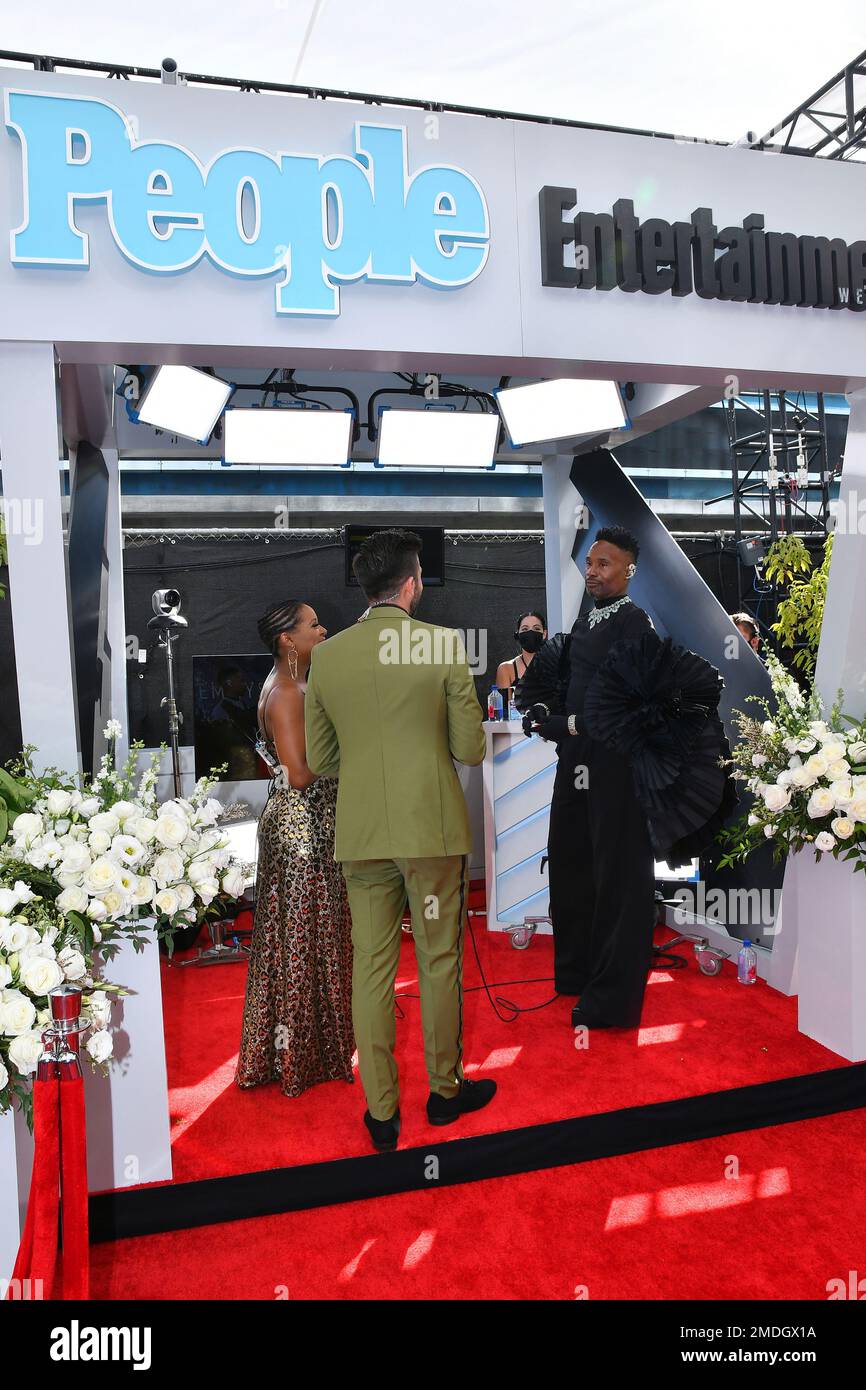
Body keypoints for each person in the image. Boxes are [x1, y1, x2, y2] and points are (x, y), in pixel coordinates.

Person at [304, 528, 494, 1153]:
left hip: (362, 835)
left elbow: (323, 760)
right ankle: (444, 1093)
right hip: (430, 833)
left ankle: (381, 1113)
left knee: (372, 966)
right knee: (439, 960)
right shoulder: (441, 646)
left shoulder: (327, 658)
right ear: (412, 585)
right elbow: (469, 748)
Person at [526, 527, 657, 1029]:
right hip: (576, 761)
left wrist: (572, 723)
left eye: (604, 564)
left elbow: (633, 705)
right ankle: (576, 973)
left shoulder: (635, 623)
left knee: (618, 878)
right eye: (590, 563)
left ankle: (612, 999)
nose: (593, 571)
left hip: (616, 767)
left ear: (629, 570)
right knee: (571, 863)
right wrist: (547, 712)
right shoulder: (586, 620)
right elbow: (571, 685)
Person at [236, 599, 355, 1098]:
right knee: (305, 944)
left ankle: (302, 1053)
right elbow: (302, 773)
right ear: (288, 639)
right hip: (302, 828)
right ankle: (300, 1059)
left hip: (309, 822)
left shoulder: (293, 684)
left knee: (307, 941)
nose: (323, 628)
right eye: (312, 624)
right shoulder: (286, 692)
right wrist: (354, 751)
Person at [494, 611, 548, 693]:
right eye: (525, 629)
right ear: (518, 634)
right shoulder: (506, 668)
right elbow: (505, 704)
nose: (530, 632)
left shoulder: (554, 664)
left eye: (536, 628)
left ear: (544, 634)